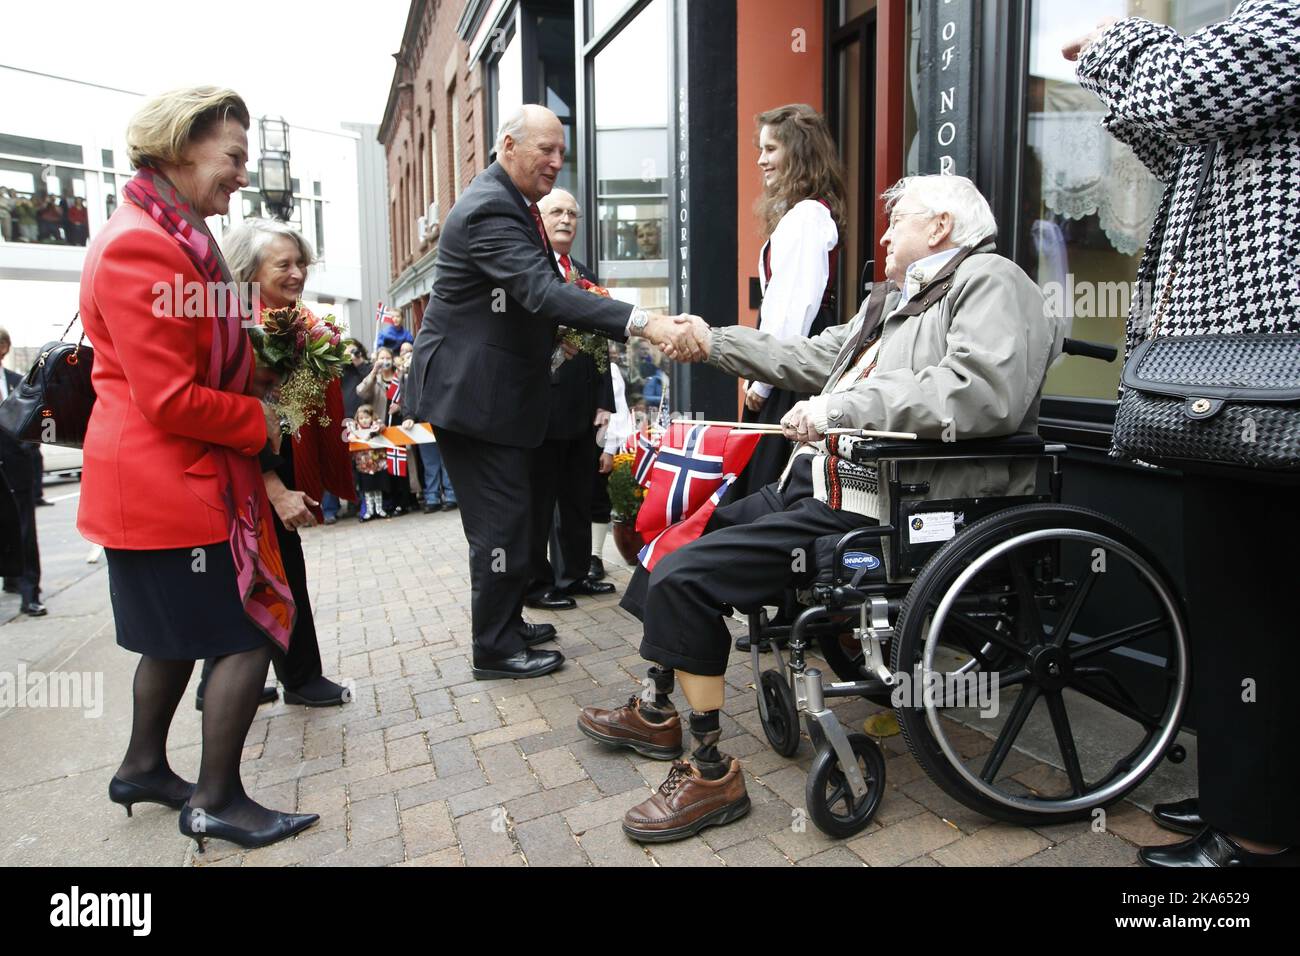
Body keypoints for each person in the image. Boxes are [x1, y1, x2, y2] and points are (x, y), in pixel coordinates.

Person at [579, 175, 1064, 843]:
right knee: (676, 539)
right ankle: (659, 704)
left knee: (690, 576)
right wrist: (713, 342)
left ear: (943, 228)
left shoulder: (991, 281)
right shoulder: (892, 303)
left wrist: (842, 408)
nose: (885, 235)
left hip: (894, 503)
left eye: (900, 223)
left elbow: (979, 392)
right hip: (827, 488)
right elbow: (807, 355)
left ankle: (712, 772)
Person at [1065, 0, 1300, 868]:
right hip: (1234, 359)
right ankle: (1248, 792)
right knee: (1246, 608)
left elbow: (1191, 90)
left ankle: (1254, 836)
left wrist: (1118, 44)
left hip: (1265, 356)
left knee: (1260, 607)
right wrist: (1132, 80)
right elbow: (1183, 141)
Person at [80, 86, 316, 852]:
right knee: (245, 632)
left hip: (161, 484)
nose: (243, 175)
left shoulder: (168, 233)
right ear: (181, 145)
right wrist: (265, 419)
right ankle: (217, 799)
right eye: (234, 156)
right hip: (169, 483)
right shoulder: (144, 244)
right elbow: (172, 398)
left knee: (172, 637)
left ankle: (144, 766)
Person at [407, 103, 707, 681]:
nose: (554, 161)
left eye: (561, 152)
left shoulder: (510, 202)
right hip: (471, 398)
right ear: (507, 145)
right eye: (544, 149)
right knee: (501, 524)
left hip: (492, 396)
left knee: (515, 519)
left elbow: (533, 302)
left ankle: (507, 623)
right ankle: (494, 648)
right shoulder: (491, 207)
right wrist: (645, 322)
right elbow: (542, 292)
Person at [190, 218, 354, 711]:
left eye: (301, 262)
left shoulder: (295, 324)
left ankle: (221, 679)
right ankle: (300, 678)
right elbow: (231, 409)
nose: (297, 272)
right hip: (248, 466)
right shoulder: (238, 327)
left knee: (255, 568)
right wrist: (272, 484)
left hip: (273, 459)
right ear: (249, 271)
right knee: (280, 569)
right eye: (283, 264)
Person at [731, 103, 845, 501]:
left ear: (797, 152)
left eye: (771, 149)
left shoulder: (807, 216)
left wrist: (763, 381)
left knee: (770, 476)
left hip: (792, 366)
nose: (761, 160)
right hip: (794, 361)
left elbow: (794, 310)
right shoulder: (807, 215)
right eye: (761, 150)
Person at [523, 188, 618, 610]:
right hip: (540, 408)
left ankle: (575, 573)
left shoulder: (583, 273)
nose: (566, 219)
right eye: (556, 211)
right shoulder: (529, 269)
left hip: (582, 408)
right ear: (538, 219)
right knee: (540, 502)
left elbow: (600, 343)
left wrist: (605, 402)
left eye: (573, 213)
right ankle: (539, 583)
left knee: (579, 495)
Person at [0, 327, 45, 615]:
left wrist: (27, 450)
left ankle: (30, 593)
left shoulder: (18, 383)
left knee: (25, 531)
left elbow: (35, 421)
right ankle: (11, 578)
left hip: (16, 469)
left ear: (3, 347)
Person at [344, 406, 389, 519]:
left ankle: (379, 509)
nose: (364, 420)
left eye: (367, 417)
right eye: (361, 418)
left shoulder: (376, 425)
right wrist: (352, 437)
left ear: (371, 417)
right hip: (363, 466)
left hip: (377, 465)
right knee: (367, 490)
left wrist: (370, 435)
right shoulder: (354, 428)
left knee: (378, 489)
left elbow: (380, 427)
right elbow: (348, 436)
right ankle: (369, 511)